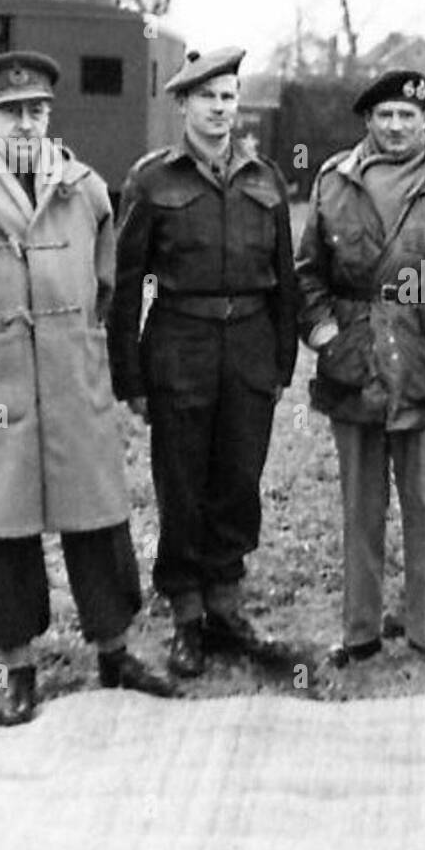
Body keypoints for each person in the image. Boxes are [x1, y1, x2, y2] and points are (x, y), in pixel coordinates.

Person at [0, 50, 173, 726]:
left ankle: (116, 651)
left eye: (37, 111)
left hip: (72, 377)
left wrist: (69, 338)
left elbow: (102, 284)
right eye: (11, 113)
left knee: (98, 518)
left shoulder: (84, 188)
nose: (27, 125)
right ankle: (18, 669)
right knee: (4, 528)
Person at [108, 47, 298, 678]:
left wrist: (282, 357)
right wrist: (128, 374)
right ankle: (186, 617)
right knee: (183, 484)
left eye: (229, 96)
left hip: (248, 344)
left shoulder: (264, 177)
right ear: (183, 104)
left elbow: (284, 280)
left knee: (239, 481)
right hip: (180, 343)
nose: (221, 108)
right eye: (208, 97)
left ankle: (227, 608)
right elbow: (127, 281)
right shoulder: (153, 180)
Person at [295, 69, 425, 670]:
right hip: (354, 361)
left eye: (408, 116)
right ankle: (359, 630)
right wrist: (326, 334)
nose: (396, 126)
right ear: (368, 121)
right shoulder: (334, 181)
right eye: (384, 115)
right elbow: (307, 271)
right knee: (360, 505)